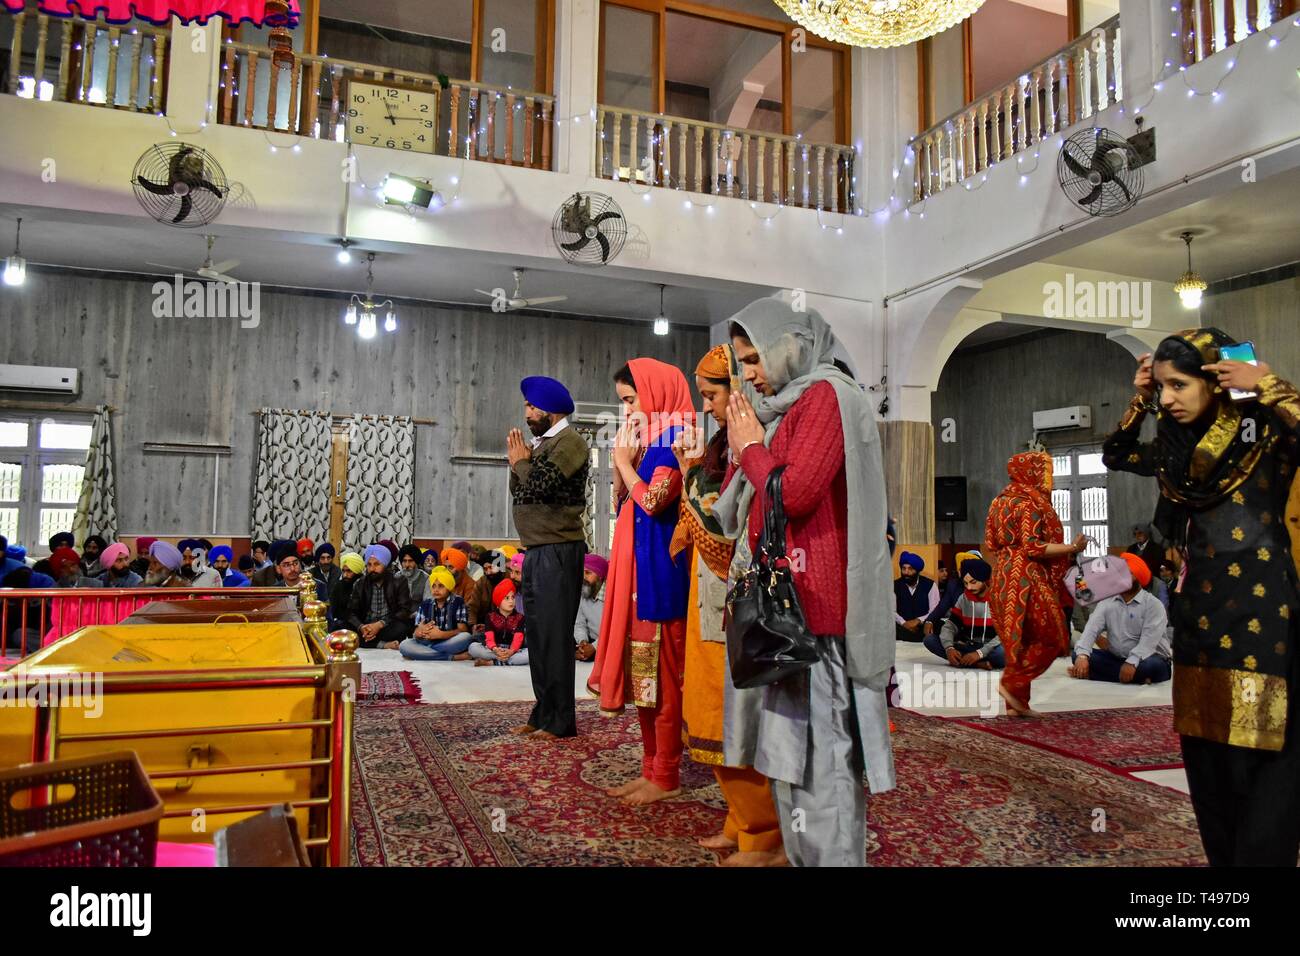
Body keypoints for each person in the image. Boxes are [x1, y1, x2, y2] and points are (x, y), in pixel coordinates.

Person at [1102, 329, 1300, 865]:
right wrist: (1138, 399)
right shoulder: (1176, 457)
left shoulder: (1265, 442)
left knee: (1260, 758)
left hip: (1261, 617)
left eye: (1179, 385)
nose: (1167, 398)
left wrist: (1269, 384)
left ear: (1216, 382)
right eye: (1161, 387)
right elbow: (1115, 454)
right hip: (1198, 619)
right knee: (1208, 760)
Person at [712, 299, 896, 867]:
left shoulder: (827, 397)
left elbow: (794, 494)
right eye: (741, 363)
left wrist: (750, 449)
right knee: (796, 765)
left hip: (818, 613)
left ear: (790, 345)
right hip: (793, 604)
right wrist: (751, 447)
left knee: (824, 769)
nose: (748, 374)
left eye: (753, 359)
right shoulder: (791, 404)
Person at [671, 342, 784, 865]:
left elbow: (725, 522)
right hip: (710, 589)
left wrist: (690, 475)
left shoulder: (758, 441)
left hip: (737, 593)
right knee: (711, 708)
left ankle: (765, 835)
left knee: (728, 712)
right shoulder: (727, 443)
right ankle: (740, 822)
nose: (709, 406)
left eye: (714, 394)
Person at [589, 358, 693, 805]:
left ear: (656, 393)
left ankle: (666, 774)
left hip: (663, 579)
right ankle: (650, 768)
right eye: (623, 402)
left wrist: (622, 463)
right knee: (644, 679)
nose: (627, 410)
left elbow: (651, 502)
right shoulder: (648, 442)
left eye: (631, 400)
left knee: (666, 681)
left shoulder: (678, 440)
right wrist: (621, 465)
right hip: (637, 576)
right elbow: (622, 504)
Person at [507, 375, 590, 740]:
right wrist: (520, 463)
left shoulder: (570, 443)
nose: (526, 413)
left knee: (556, 637)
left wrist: (522, 463)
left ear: (549, 409)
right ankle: (543, 712)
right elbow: (521, 486)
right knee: (538, 636)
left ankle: (561, 721)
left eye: (530, 407)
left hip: (559, 550)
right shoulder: (542, 445)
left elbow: (541, 485)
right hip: (537, 550)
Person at [985, 452, 1086, 717]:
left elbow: (991, 543)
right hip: (1026, 576)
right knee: (1053, 636)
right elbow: (1033, 547)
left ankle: (1016, 706)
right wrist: (1072, 547)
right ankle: (1012, 683)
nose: (1047, 479)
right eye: (1043, 472)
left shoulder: (999, 501)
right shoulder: (1029, 503)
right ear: (1030, 473)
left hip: (1002, 574)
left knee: (1018, 642)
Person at [1068, 553, 1171, 684]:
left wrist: (1132, 662)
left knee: (1149, 667)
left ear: (1139, 578)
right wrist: (1082, 656)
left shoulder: (1153, 605)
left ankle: (1097, 674)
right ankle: (1136, 678)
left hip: (1149, 658)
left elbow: (1148, 642)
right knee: (1077, 654)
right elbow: (1091, 630)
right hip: (1117, 658)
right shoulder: (1107, 602)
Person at [924, 557, 1003, 668]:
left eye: (973, 582)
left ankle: (971, 660)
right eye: (965, 583)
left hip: (991, 648)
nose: (969, 587)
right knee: (930, 640)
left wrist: (979, 653)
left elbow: (1004, 634)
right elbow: (951, 625)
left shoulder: (1000, 599)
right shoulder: (963, 598)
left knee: (1002, 653)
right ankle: (978, 663)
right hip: (969, 645)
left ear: (985, 580)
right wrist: (949, 648)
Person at [347, 544, 414, 650]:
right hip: (367, 626)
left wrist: (380, 624)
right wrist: (362, 627)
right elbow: (351, 612)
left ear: (386, 565)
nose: (372, 569)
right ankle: (384, 645)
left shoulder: (399, 581)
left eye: (377, 564)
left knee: (402, 627)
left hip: (388, 625)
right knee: (341, 627)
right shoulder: (360, 583)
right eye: (369, 565)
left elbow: (404, 610)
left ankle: (368, 642)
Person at [399, 565, 473, 660]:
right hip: (428, 642)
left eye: (441, 586)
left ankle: (422, 653)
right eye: (433, 586)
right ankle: (452, 657)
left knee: (466, 637)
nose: (436, 590)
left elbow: (462, 630)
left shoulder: (458, 601)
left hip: (449, 641)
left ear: (449, 587)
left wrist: (441, 634)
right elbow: (416, 632)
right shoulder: (425, 604)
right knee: (404, 645)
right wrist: (420, 632)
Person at [469, 579, 528, 666]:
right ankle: (505, 661)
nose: (511, 601)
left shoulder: (520, 617)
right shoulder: (490, 616)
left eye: (513, 597)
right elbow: (489, 637)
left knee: (530, 654)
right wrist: (495, 649)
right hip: (495, 649)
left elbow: (518, 638)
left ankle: (493, 662)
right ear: (498, 601)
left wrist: (511, 651)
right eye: (507, 598)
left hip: (513, 651)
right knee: (473, 647)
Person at [894, 551, 937, 642]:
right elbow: (890, 610)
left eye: (910, 569)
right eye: (904, 568)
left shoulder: (930, 585)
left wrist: (918, 621)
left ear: (917, 571)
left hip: (922, 626)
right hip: (902, 627)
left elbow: (935, 609)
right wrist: (904, 623)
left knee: (939, 624)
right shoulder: (894, 585)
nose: (906, 572)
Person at [574, 553, 607, 662]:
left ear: (600, 576)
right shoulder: (584, 593)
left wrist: (594, 647)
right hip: (591, 641)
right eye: (582, 573)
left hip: (608, 644)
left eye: (588, 573)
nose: (583, 577)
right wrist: (583, 642)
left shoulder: (611, 598)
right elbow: (579, 624)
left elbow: (614, 631)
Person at [440, 547, 483, 628]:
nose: (447, 571)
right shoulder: (443, 582)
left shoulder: (471, 586)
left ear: (460, 568)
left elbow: (466, 614)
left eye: (451, 567)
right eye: (445, 567)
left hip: (460, 628)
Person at [330, 551, 364, 629]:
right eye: (343, 571)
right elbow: (333, 609)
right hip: (340, 625)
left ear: (357, 571)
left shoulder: (365, 586)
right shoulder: (339, 585)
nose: (345, 575)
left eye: (349, 571)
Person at [397, 545, 431, 609]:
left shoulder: (425, 578)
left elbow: (427, 602)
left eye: (410, 561)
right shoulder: (396, 577)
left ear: (416, 562)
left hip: (419, 616)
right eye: (404, 561)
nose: (407, 565)